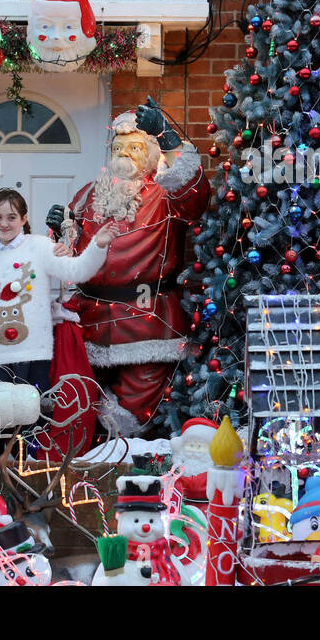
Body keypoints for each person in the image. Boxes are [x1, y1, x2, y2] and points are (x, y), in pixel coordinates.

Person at [51, 103, 208, 434]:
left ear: (150, 155)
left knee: (134, 407)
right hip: (90, 320)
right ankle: (88, 456)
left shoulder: (166, 193)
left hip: (147, 320)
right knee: (79, 393)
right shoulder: (86, 195)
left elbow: (194, 191)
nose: (125, 154)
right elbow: (70, 253)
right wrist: (59, 229)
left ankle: (120, 458)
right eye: (119, 147)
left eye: (134, 147)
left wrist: (167, 137)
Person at [0, 189, 116, 390]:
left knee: (31, 415)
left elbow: (77, 271)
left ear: (23, 218)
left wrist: (98, 245)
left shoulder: (40, 247)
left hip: (32, 354)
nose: (4, 224)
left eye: (11, 217)